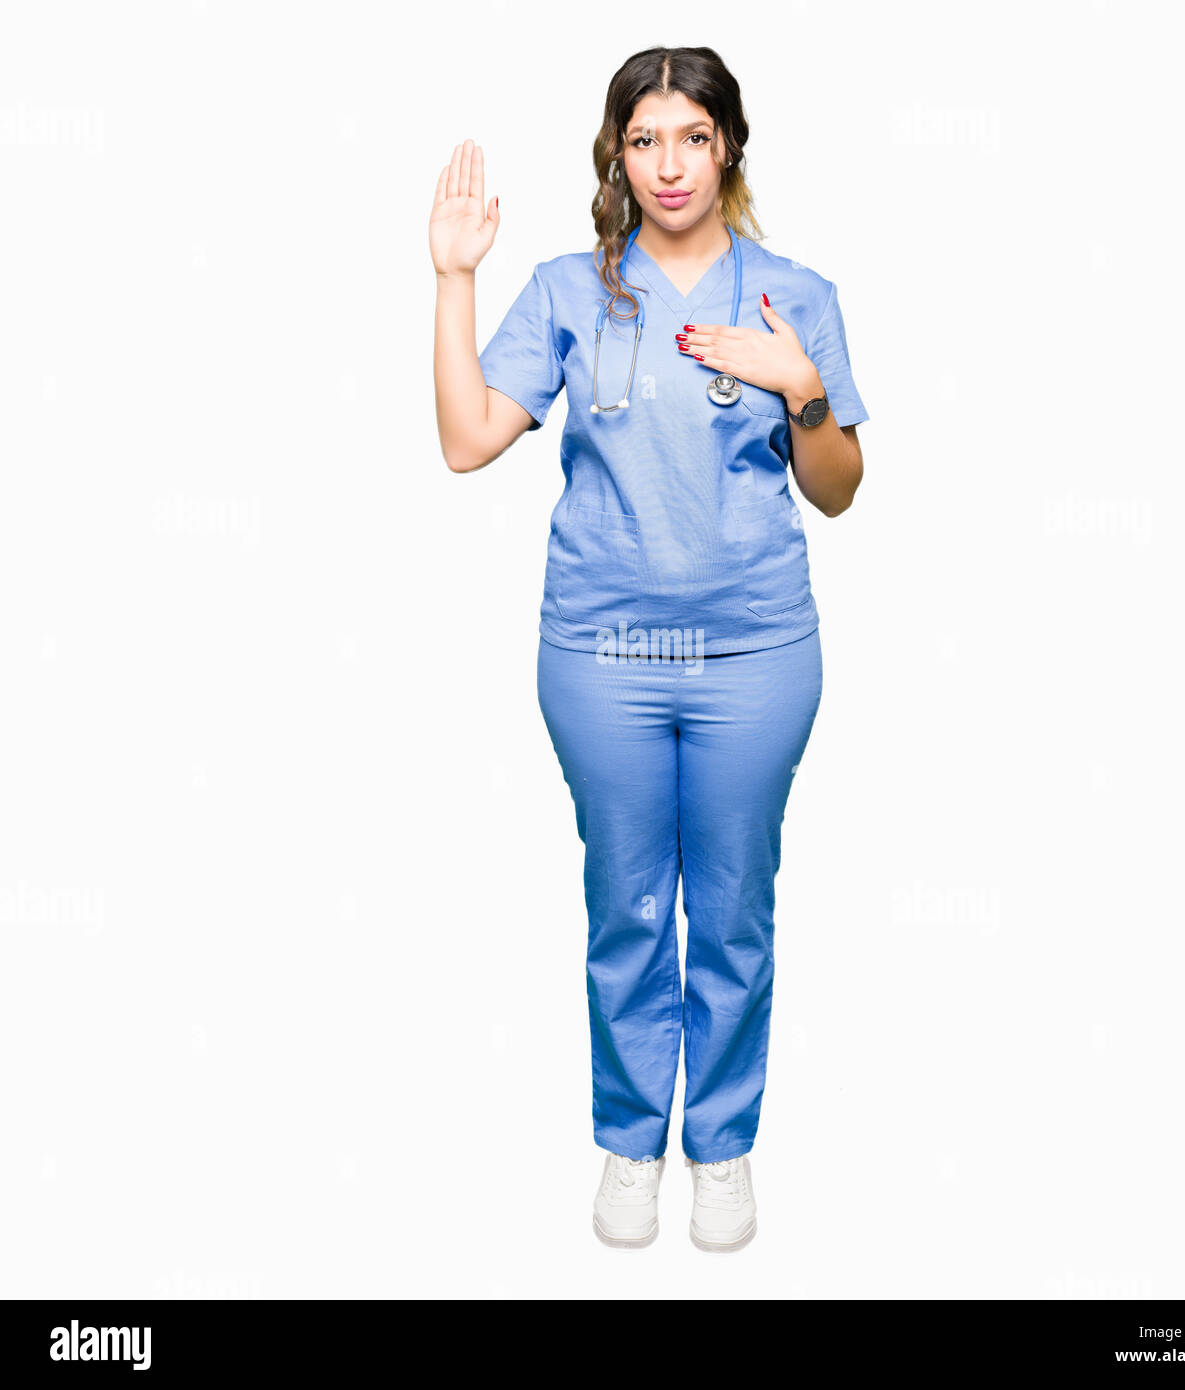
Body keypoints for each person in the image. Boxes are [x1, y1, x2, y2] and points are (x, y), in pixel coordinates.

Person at [429, 46, 868, 1252]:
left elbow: (836, 491)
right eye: (643, 139)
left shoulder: (793, 295)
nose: (668, 163)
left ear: (726, 145)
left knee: (731, 909)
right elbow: (469, 441)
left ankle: (720, 1149)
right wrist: (455, 280)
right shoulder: (573, 291)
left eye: (690, 136)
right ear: (616, 155)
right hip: (602, 654)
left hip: (754, 656)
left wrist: (804, 390)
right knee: (626, 904)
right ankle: (632, 1140)